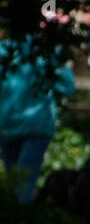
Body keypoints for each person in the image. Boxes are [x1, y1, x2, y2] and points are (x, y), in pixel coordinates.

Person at [0, 32, 76, 203]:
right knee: (26, 182)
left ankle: (16, 222)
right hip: (37, 125)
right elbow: (68, 86)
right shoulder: (46, 51)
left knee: (13, 183)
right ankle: (24, 222)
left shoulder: (4, 49)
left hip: (7, 124)